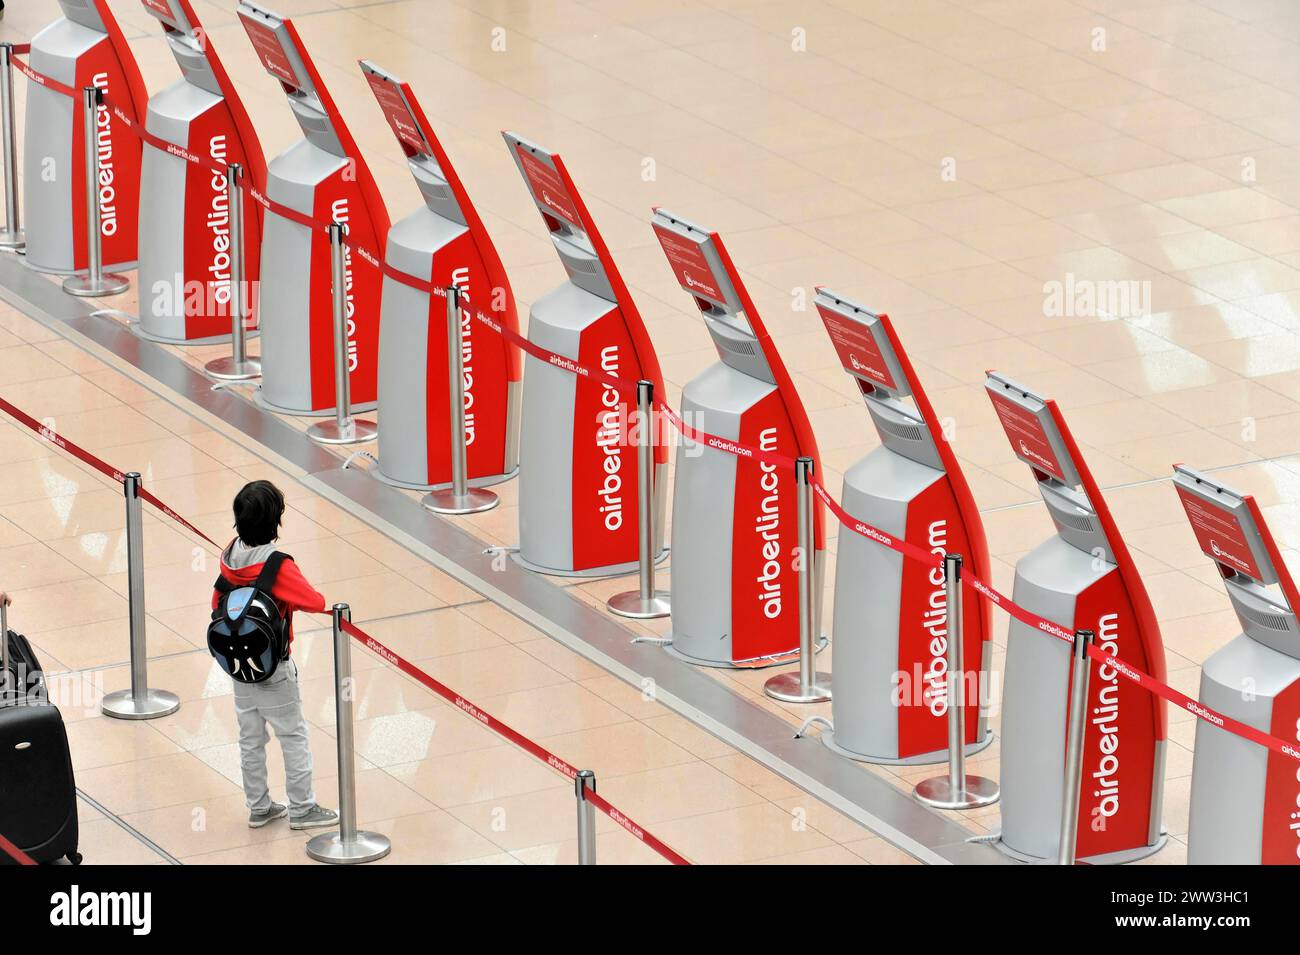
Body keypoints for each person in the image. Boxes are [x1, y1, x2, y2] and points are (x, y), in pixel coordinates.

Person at [214, 480, 338, 831]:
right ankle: (302, 808)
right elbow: (314, 602)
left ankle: (259, 807)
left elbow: (216, 604)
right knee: (292, 736)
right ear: (275, 522)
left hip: (239, 667)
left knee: (250, 739)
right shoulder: (277, 565)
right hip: (274, 669)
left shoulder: (229, 556)